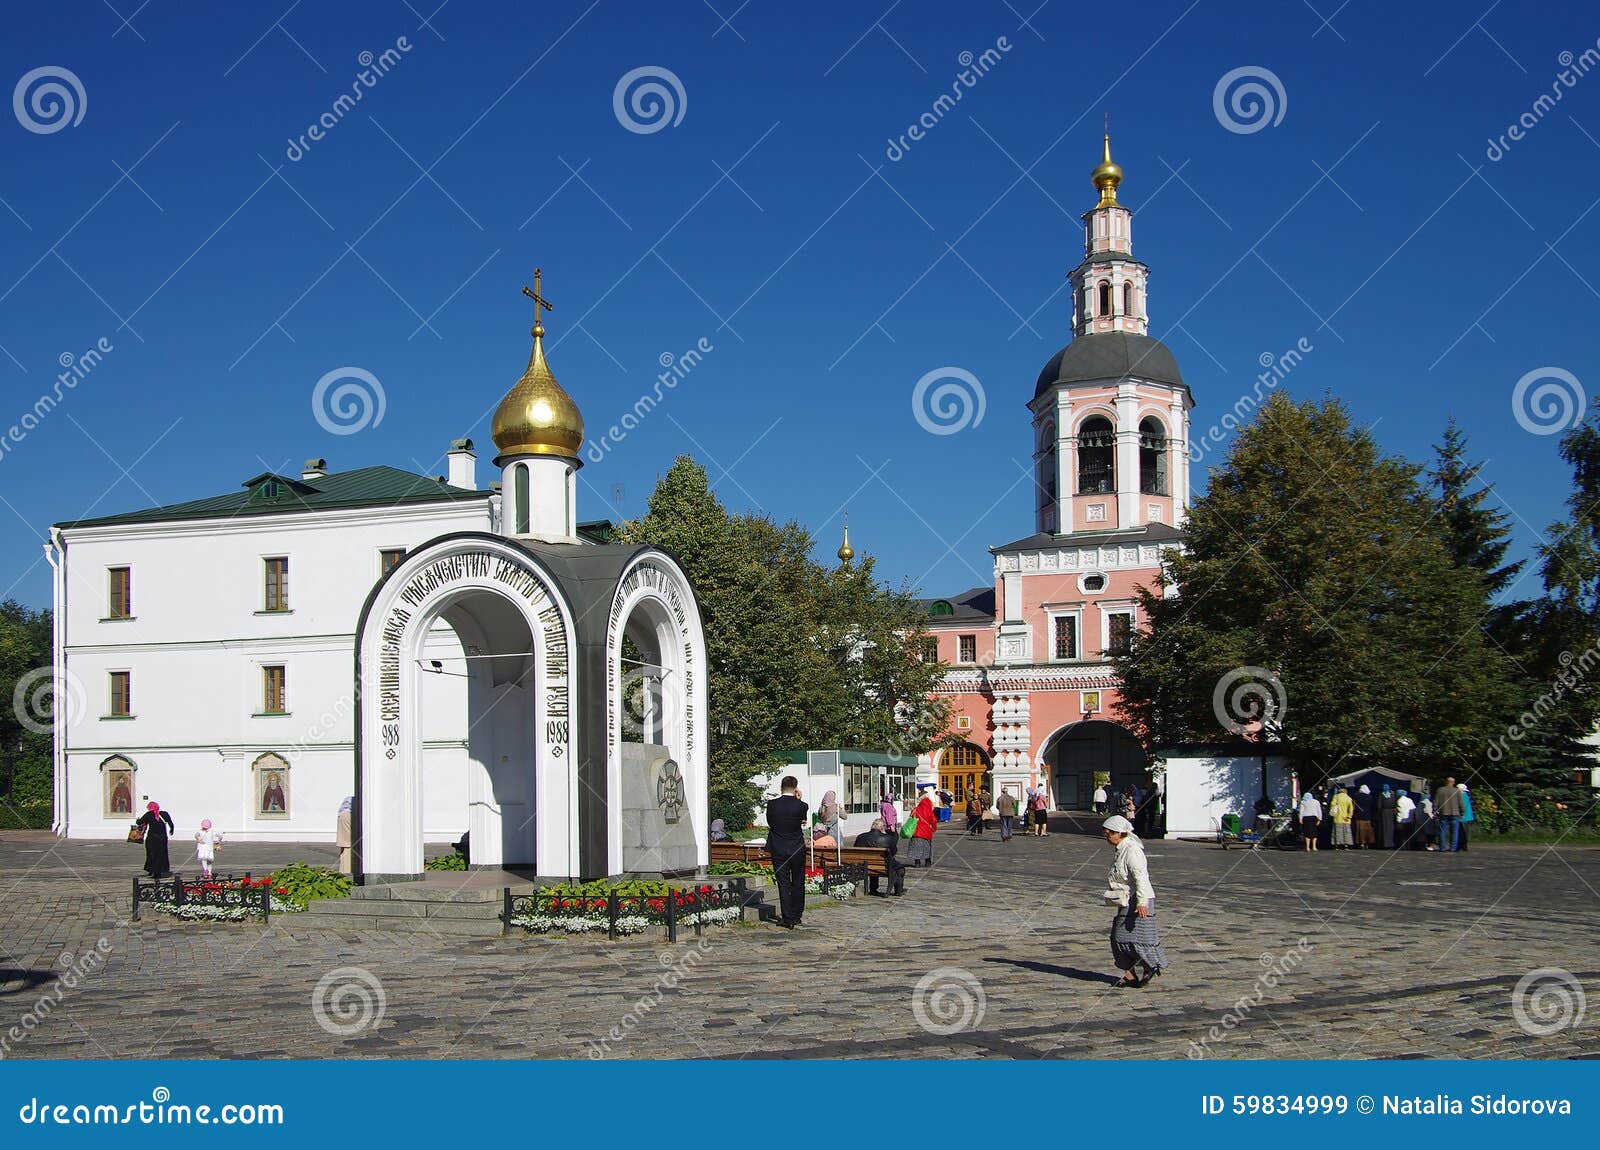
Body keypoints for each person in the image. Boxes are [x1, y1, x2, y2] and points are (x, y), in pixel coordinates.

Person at [1100, 815, 1166, 988]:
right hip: (1127, 899)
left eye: (1109, 834)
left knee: (1139, 938)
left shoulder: (1132, 850)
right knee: (1118, 938)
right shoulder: (1120, 849)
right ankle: (1130, 974)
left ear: (1119, 833)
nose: (1106, 837)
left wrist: (1142, 903)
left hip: (1139, 899)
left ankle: (1148, 966)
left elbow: (1141, 878)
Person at [765, 776, 809, 929]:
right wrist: (799, 799)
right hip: (797, 848)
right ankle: (797, 915)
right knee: (798, 881)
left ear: (781, 787)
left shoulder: (772, 805)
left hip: (778, 847)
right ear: (796, 788)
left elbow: (771, 823)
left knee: (783, 883)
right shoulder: (802, 806)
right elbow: (802, 822)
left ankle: (787, 918)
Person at [853, 817, 906, 896]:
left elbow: (855, 850)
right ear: (881, 827)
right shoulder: (887, 838)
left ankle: (873, 889)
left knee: (871, 862)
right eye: (884, 826)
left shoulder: (861, 837)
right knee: (900, 868)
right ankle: (898, 891)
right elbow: (894, 852)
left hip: (864, 866)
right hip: (884, 867)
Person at [136, 801, 175, 878]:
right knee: (162, 854)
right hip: (163, 838)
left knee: (152, 854)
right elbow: (171, 824)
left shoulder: (149, 814)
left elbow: (139, 822)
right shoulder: (164, 814)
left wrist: (138, 819)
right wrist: (171, 830)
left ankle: (153, 871)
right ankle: (163, 869)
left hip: (152, 838)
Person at [1434, 776, 1463, 853]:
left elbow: (1435, 802)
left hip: (1443, 813)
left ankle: (1442, 847)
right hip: (1455, 813)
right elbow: (1461, 803)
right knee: (1454, 832)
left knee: (1442, 831)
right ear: (1453, 783)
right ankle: (1453, 848)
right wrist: (1462, 812)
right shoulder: (1457, 791)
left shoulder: (1440, 790)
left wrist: (1435, 810)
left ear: (1446, 782)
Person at [908, 790, 936, 867]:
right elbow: (933, 820)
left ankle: (917, 862)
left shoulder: (916, 809)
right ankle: (928, 862)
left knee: (916, 847)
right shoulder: (929, 810)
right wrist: (933, 829)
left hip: (916, 831)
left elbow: (911, 818)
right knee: (927, 847)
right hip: (926, 832)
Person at [336, 795, 355, 876]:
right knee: (349, 846)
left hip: (342, 816)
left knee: (345, 847)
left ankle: (343, 871)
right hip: (350, 816)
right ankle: (348, 872)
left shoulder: (349, 799)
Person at [1352, 784, 1375, 848]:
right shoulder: (1370, 797)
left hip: (1359, 816)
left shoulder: (1356, 796)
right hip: (1368, 816)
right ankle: (1368, 843)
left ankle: (1362, 843)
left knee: (1360, 830)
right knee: (1368, 830)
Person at [1376, 784, 1398, 849]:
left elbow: (1379, 806)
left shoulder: (1381, 795)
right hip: (1392, 813)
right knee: (1391, 829)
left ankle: (1385, 844)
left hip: (1384, 813)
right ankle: (1391, 844)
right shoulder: (1393, 795)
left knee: (1384, 829)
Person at [1457, 783, 1473, 852]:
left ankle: (1462, 846)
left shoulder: (1462, 796)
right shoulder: (1465, 795)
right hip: (1467, 817)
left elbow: (1462, 807)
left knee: (1462, 832)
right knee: (1464, 832)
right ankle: (1463, 846)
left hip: (1464, 817)